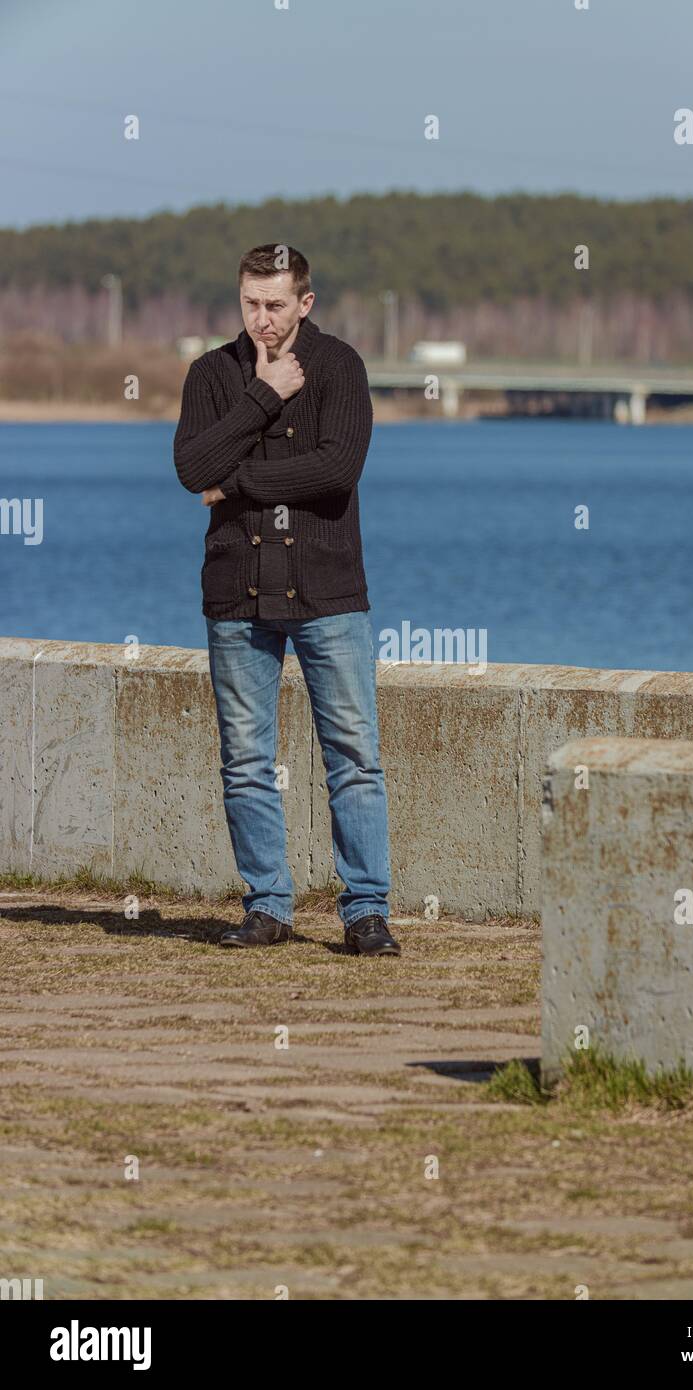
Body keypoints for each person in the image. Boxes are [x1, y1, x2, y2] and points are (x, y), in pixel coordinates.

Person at [173, 242, 399, 956]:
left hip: (331, 591)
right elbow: (190, 468)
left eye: (275, 305)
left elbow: (338, 470)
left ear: (306, 302)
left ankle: (366, 912)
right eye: (250, 304)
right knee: (244, 758)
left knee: (354, 756)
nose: (261, 320)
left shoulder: (341, 368)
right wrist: (263, 397)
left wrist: (236, 483)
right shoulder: (213, 374)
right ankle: (267, 907)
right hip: (236, 590)